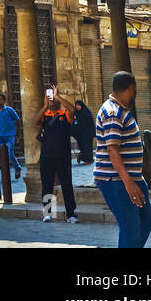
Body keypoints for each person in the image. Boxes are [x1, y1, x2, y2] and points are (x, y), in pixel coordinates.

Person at [95, 71, 151, 249]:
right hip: (115, 179)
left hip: (130, 178)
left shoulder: (120, 109)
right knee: (130, 226)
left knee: (146, 221)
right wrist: (127, 181)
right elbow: (112, 150)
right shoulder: (113, 112)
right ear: (131, 88)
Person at [36, 85, 79, 223]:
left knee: (67, 184)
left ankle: (71, 214)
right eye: (49, 96)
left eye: (53, 96)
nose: (52, 99)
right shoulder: (45, 115)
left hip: (63, 155)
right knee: (47, 185)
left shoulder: (64, 115)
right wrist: (45, 105)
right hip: (47, 155)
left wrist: (58, 97)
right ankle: (47, 213)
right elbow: (35, 121)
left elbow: (72, 110)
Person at [0, 93, 23, 180]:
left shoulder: (9, 110)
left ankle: (17, 168)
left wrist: (18, 133)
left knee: (9, 153)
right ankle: (5, 174)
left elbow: (17, 120)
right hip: (0, 136)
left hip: (10, 135)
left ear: (4, 101)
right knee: (2, 155)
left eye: (1, 99)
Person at [72, 100, 95, 165]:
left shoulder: (86, 113)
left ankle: (88, 160)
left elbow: (90, 123)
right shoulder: (76, 113)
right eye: (76, 105)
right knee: (82, 147)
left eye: (78, 105)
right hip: (80, 134)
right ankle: (82, 157)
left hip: (87, 134)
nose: (77, 107)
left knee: (87, 147)